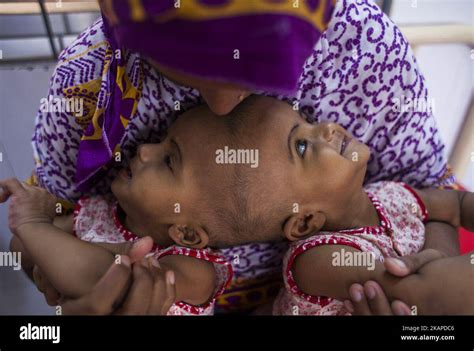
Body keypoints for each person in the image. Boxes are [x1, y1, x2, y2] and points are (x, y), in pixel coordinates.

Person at [21, 0, 460, 314]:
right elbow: (47, 211)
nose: (223, 104)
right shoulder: (88, 81)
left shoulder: (362, 47)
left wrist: (431, 259)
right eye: (183, 63)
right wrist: (50, 268)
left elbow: (437, 197)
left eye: (261, 60)